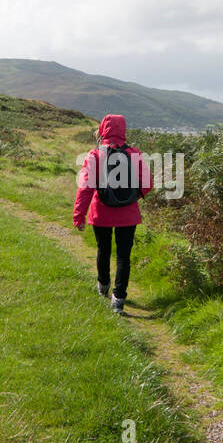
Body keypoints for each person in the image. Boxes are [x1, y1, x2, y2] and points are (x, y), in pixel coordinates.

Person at [72, 114, 152, 314]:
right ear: (123, 130)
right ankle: (118, 299)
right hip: (128, 214)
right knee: (124, 256)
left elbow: (85, 188)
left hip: (101, 212)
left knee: (103, 249)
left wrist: (79, 215)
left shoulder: (95, 154)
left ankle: (103, 285)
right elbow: (148, 184)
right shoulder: (134, 153)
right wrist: (132, 196)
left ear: (102, 129)